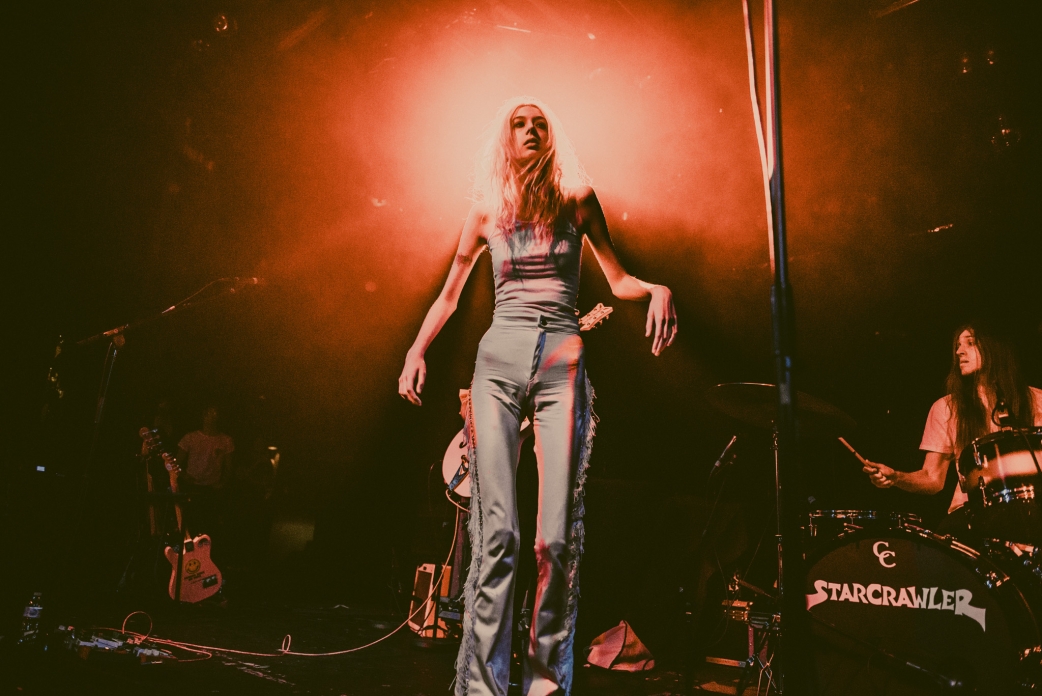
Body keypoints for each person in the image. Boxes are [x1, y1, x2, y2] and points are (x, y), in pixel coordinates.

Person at [398, 97, 677, 696]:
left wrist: (657, 288)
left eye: (539, 124)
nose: (529, 130)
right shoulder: (484, 212)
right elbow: (449, 296)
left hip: (561, 363)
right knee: (498, 535)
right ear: (505, 138)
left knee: (554, 537)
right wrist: (414, 351)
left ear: (551, 138)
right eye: (518, 124)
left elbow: (619, 278)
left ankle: (545, 684)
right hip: (498, 359)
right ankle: (481, 688)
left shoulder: (578, 199)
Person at [863, 324, 1042, 512]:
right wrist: (897, 477)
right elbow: (933, 479)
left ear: (994, 349)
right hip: (972, 514)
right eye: (957, 346)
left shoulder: (1037, 400)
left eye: (970, 343)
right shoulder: (947, 407)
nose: (959, 352)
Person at [176, 404, 234, 537]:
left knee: (209, 527)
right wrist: (185, 477)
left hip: (212, 489)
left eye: (215, 413)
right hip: (192, 487)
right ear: (203, 416)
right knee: (191, 524)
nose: (212, 417)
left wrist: (222, 483)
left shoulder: (225, 440)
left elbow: (229, 466)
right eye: (209, 413)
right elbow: (175, 463)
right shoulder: (190, 438)